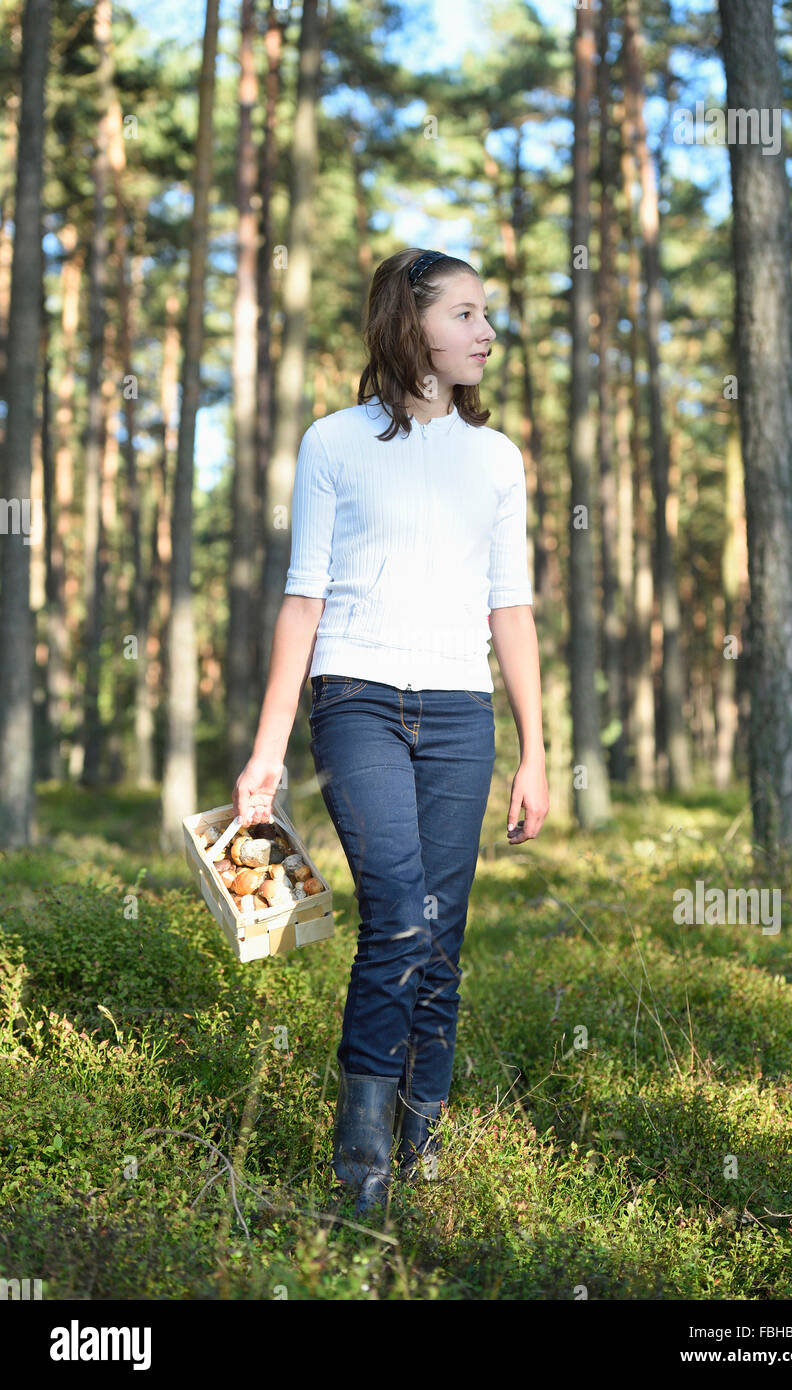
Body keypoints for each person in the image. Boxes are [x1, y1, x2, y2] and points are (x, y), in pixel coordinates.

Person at [233, 247, 549, 1214]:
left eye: (485, 314)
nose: (485, 332)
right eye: (464, 314)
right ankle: (359, 1180)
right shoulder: (333, 442)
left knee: (441, 940)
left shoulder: (496, 459)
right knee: (398, 922)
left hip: (461, 713)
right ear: (409, 326)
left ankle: (422, 1156)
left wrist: (537, 753)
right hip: (357, 699)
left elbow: (511, 608)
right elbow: (304, 597)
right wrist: (266, 748)